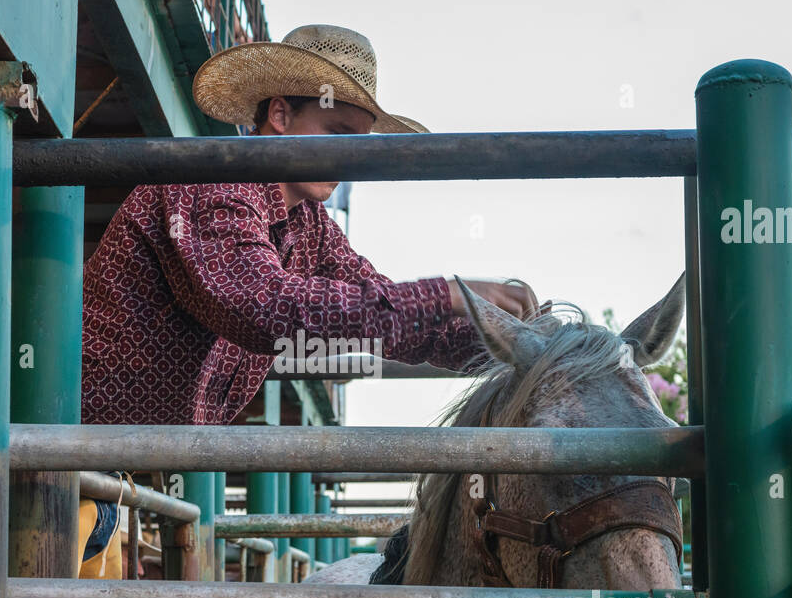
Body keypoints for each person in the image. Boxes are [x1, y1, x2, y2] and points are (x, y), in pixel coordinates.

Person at [81, 24, 536, 427]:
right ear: (280, 115)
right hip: (53, 433)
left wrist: (520, 341)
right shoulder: (213, 179)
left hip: (114, 455)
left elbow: (398, 322)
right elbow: (269, 309)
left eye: (362, 145)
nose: (352, 159)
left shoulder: (311, 226)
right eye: (339, 134)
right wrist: (449, 293)